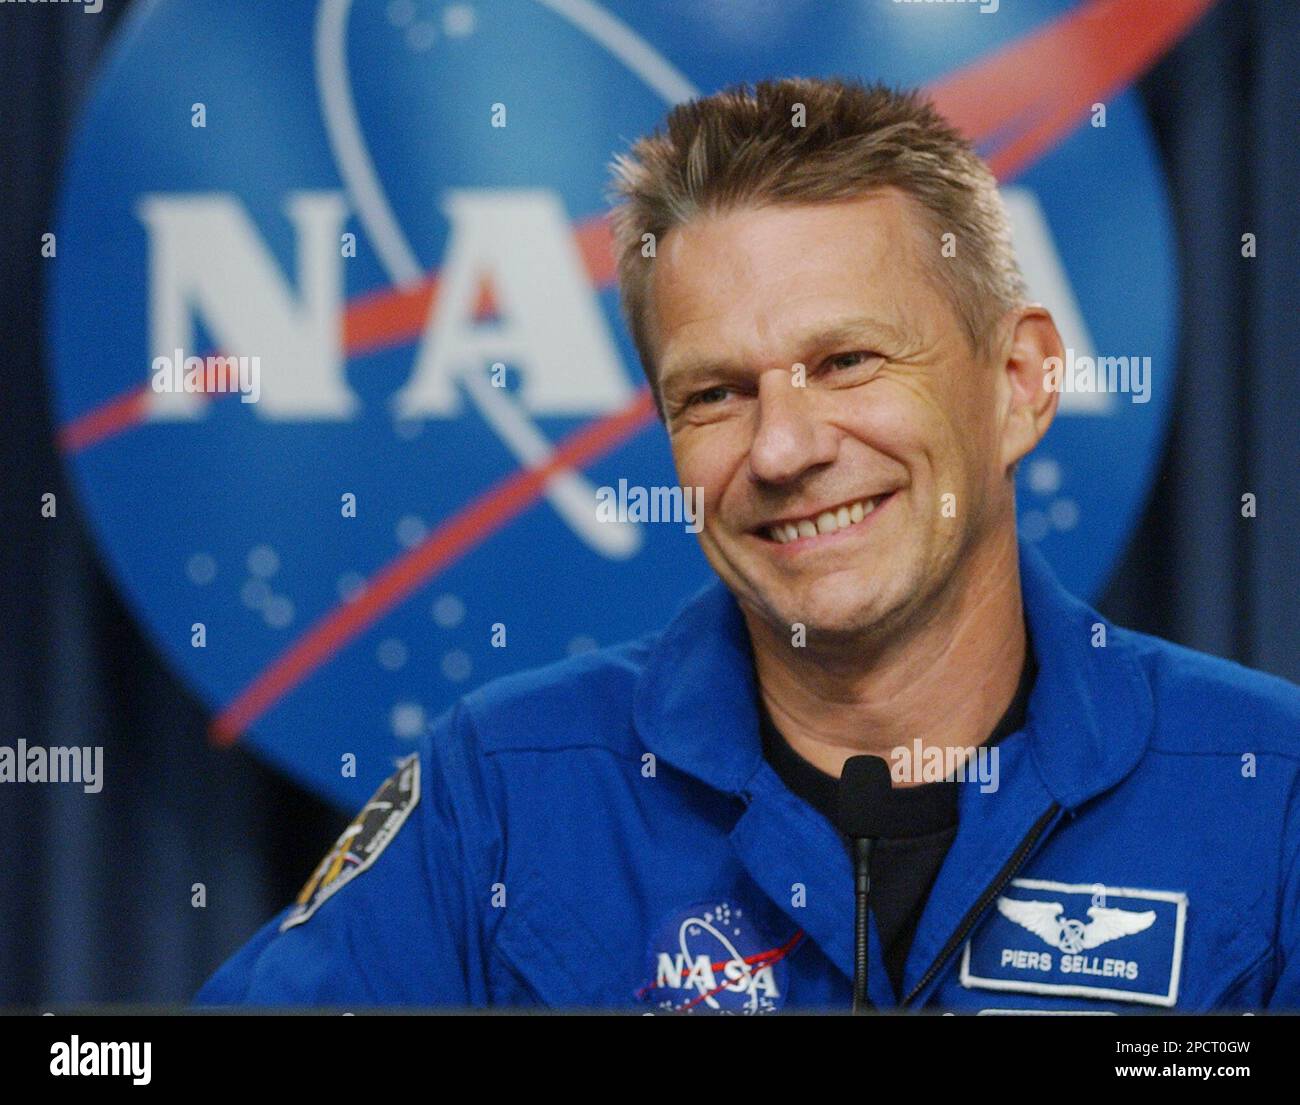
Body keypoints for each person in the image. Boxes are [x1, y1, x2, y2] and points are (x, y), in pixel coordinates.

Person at [197, 78, 1300, 1013]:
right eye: (715, 393)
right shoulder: (505, 792)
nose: (782, 448)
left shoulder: (1267, 787)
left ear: (1017, 383)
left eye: (849, 361)